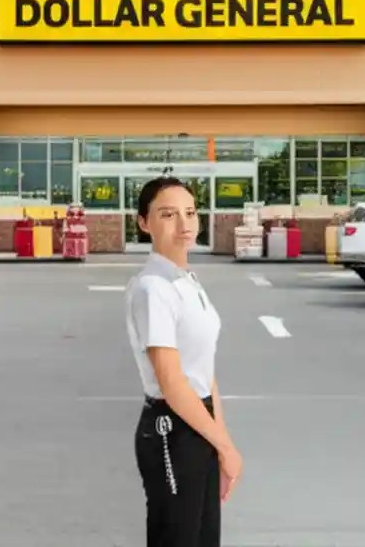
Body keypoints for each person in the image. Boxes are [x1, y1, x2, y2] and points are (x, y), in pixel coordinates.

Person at [125, 175, 243, 547]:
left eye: (190, 212)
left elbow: (204, 371)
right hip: (171, 431)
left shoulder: (188, 282)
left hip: (200, 425)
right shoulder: (153, 289)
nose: (184, 224)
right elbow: (173, 383)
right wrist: (225, 447)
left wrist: (221, 442)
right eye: (168, 214)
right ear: (144, 222)